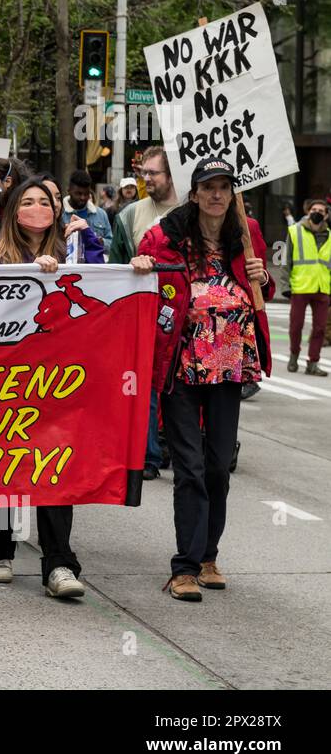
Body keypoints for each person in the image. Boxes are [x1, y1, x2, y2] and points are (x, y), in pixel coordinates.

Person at [0, 177, 146, 597]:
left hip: (60, 382)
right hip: (5, 380)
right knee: (1, 462)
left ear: (56, 211)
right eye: (28, 201)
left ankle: (59, 563)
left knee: (57, 467)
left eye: (45, 202)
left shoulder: (74, 250)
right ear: (14, 210)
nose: (37, 208)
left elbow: (109, 283)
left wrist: (136, 269)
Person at [140, 159, 272, 602]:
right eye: (207, 187)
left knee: (218, 465)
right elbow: (141, 276)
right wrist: (142, 263)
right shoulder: (167, 235)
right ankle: (184, 568)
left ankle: (209, 556)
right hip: (182, 365)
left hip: (231, 365)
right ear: (194, 193)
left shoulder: (247, 232)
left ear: (232, 193)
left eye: (223, 187)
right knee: (190, 469)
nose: (216, 195)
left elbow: (260, 291)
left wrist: (263, 278)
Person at [109, 147, 178, 480]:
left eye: (154, 173)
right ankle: (149, 456)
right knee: (147, 385)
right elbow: (117, 265)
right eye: (144, 173)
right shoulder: (130, 215)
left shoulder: (193, 211)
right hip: (145, 315)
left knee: (183, 388)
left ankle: (184, 450)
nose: (147, 179)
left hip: (186, 319)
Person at [284, 198, 329, 376]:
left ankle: (313, 363)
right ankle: (294, 355)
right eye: (314, 209)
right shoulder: (295, 231)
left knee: (320, 329)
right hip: (300, 287)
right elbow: (286, 262)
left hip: (322, 289)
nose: (317, 212)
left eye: (321, 210)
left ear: (326, 215)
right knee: (296, 326)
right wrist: (285, 285)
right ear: (308, 212)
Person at [62, 169, 114, 252]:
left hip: (95, 263)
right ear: (69, 191)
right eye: (78, 193)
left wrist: (101, 242)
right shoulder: (60, 213)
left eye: (86, 194)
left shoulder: (101, 214)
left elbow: (112, 244)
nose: (82, 197)